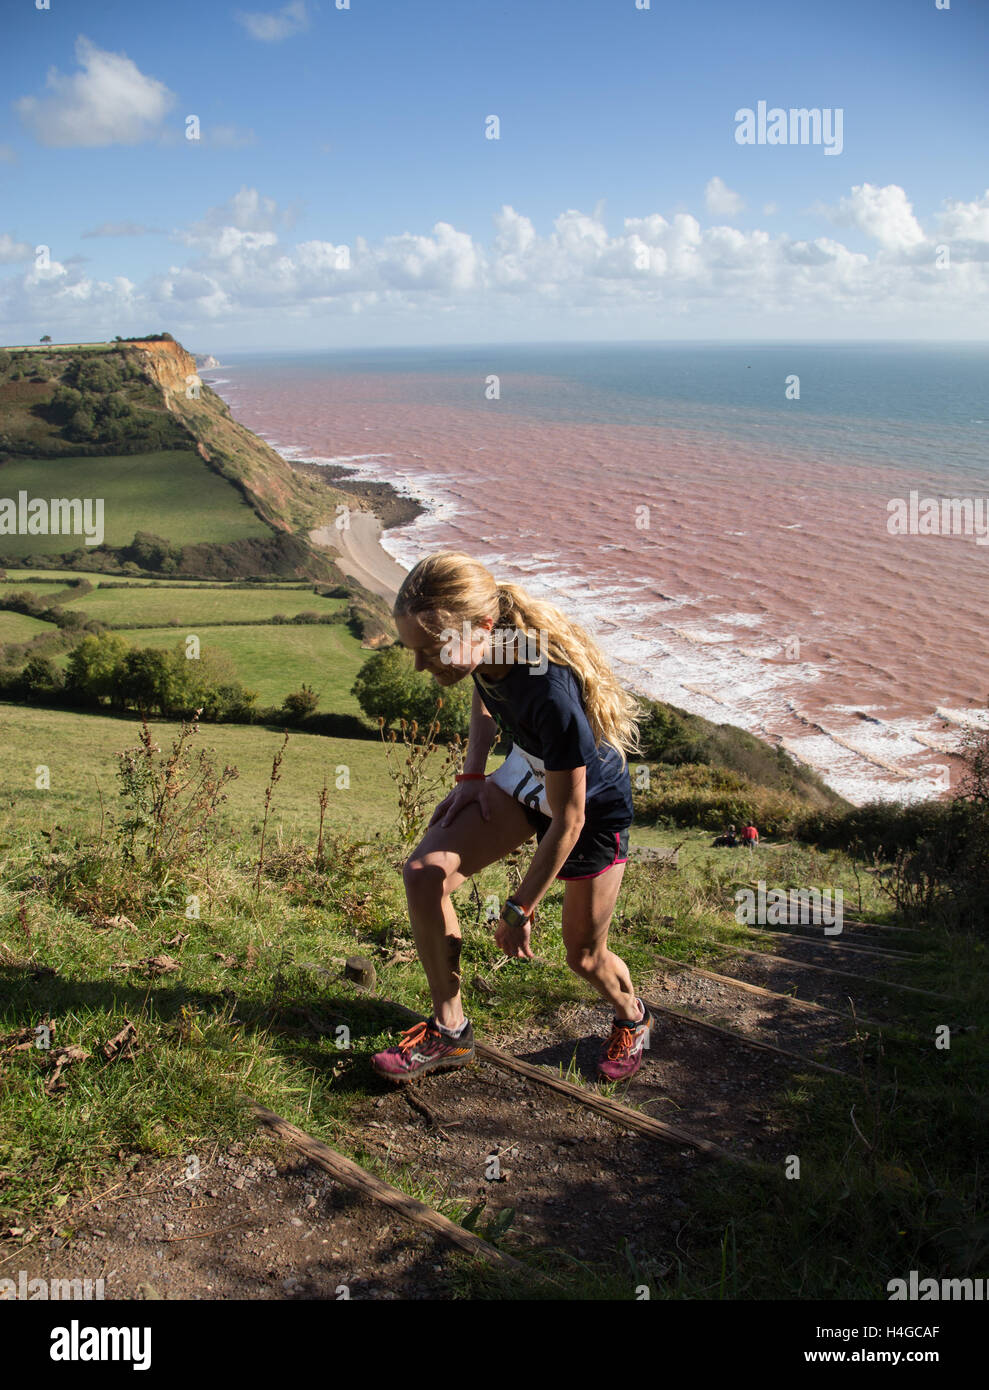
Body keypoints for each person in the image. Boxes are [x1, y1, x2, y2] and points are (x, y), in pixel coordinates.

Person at [372, 550, 651, 1085]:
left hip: (590, 807)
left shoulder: (549, 690)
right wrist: (472, 775)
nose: (421, 665)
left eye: (431, 650)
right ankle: (450, 1033)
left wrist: (519, 907)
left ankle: (633, 1018)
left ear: (482, 626)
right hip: (530, 772)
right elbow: (484, 692)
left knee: (584, 957)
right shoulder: (491, 646)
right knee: (424, 873)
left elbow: (568, 820)